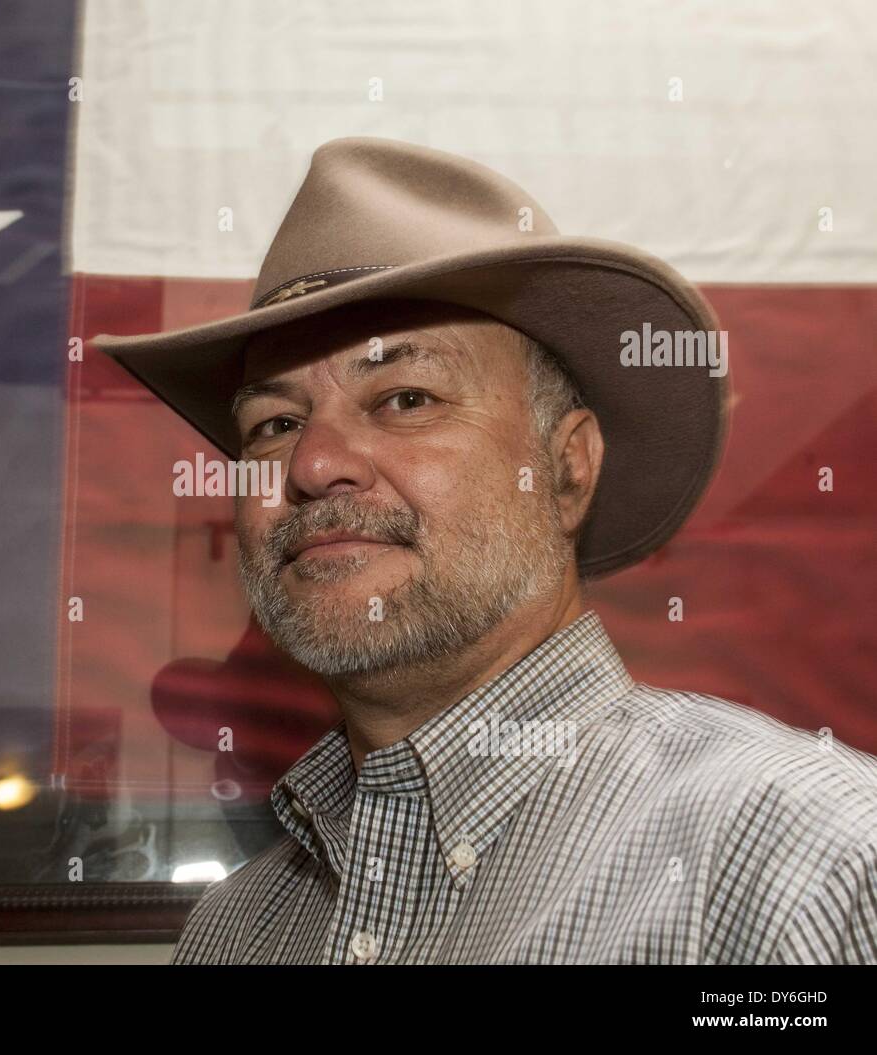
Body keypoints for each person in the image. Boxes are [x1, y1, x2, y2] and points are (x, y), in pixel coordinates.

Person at [92, 138, 877, 964]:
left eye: (405, 397)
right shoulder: (234, 935)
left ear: (567, 468)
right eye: (274, 426)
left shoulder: (810, 865)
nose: (314, 465)